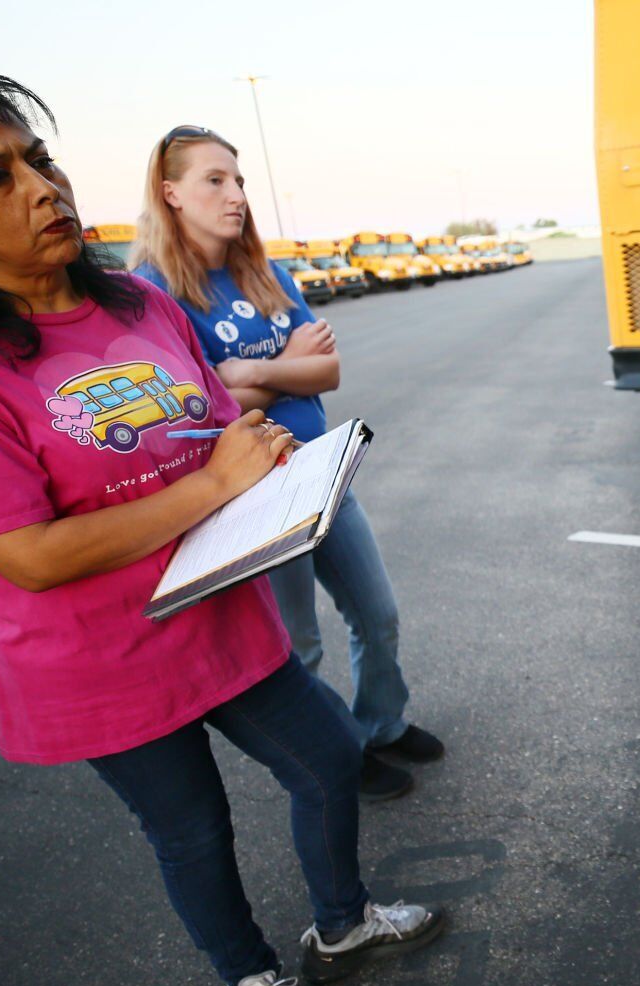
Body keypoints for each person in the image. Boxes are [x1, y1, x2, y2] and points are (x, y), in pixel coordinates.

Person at [0, 59, 444, 986]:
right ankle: (251, 980)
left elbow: (214, 430)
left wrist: (268, 463)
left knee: (332, 758)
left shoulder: (137, 305)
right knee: (192, 831)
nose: (41, 190)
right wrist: (212, 486)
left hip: (222, 616)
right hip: (99, 658)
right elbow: (26, 553)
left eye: (40, 160)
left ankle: (341, 925)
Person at [127, 126, 442, 803]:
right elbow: (197, 403)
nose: (235, 194)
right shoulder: (153, 292)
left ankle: (381, 722)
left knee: (377, 613)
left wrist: (251, 370)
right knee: (300, 644)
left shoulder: (264, 272)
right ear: (170, 192)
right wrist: (282, 367)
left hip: (323, 470)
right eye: (215, 179)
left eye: (238, 180)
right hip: (254, 493)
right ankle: (341, 755)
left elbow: (326, 366)